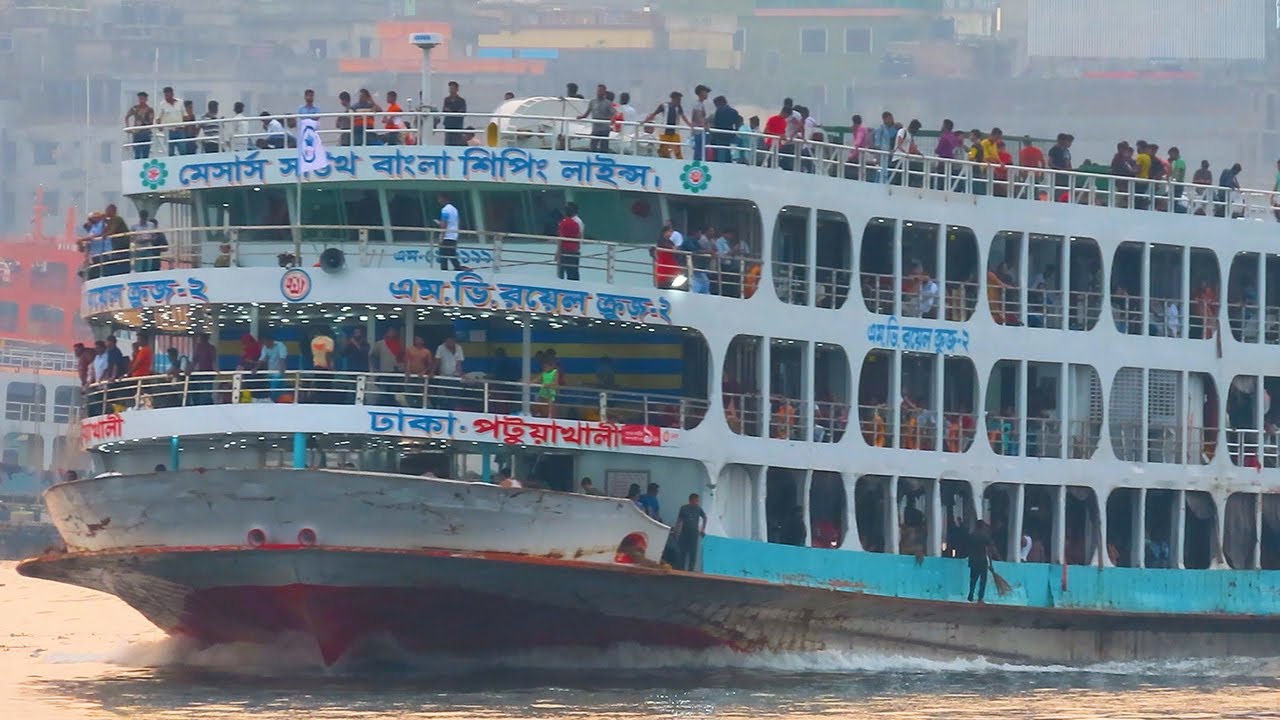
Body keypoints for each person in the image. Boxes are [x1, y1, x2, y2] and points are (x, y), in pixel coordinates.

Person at [642, 91, 690, 160]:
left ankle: (680, 164)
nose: (679, 102)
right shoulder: (664, 106)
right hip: (664, 133)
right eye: (678, 100)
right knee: (663, 151)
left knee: (677, 152)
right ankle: (666, 162)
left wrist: (690, 125)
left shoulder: (678, 107)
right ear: (673, 99)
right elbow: (654, 114)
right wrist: (644, 122)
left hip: (674, 133)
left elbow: (683, 117)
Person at [674, 493, 707, 571]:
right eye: (696, 501)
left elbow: (705, 517)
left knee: (693, 552)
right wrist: (676, 531)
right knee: (682, 551)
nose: (697, 503)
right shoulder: (684, 508)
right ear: (690, 500)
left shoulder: (698, 509)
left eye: (697, 501)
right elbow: (679, 520)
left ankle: (691, 569)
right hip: (684, 532)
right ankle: (681, 569)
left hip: (694, 533)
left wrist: (702, 529)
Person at [578, 84, 614, 153]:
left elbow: (614, 113)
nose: (599, 92)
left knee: (604, 148)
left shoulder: (608, 103)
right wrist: (581, 117)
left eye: (601, 91)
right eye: (598, 91)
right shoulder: (592, 102)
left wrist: (612, 119)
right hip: (595, 128)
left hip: (605, 129)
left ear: (604, 92)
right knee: (593, 146)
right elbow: (587, 112)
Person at [966, 519, 996, 602]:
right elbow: (989, 550)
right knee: (983, 579)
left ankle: (971, 594)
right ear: (982, 526)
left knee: (973, 578)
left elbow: (967, 548)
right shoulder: (985, 536)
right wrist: (991, 564)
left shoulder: (971, 535)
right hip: (982, 560)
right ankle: (980, 597)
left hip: (972, 560)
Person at [556, 202, 583, 281]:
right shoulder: (576, 223)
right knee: (573, 272)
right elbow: (579, 235)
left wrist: (557, 252)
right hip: (574, 249)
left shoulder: (564, 223)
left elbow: (561, 237)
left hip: (566, 250)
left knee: (562, 271)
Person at [435, 193, 463, 271]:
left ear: (444, 199)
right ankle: (458, 269)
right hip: (454, 236)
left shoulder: (445, 209)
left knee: (443, 257)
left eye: (439, 199)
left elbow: (444, 224)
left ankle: (444, 272)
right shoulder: (454, 209)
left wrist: (441, 236)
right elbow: (458, 222)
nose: (439, 201)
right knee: (452, 255)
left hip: (447, 236)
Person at [124, 91, 155, 159]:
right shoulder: (135, 108)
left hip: (146, 133)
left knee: (145, 154)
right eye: (140, 99)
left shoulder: (150, 110)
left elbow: (151, 122)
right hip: (137, 133)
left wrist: (143, 122)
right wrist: (128, 127)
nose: (141, 100)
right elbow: (127, 117)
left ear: (146, 99)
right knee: (137, 153)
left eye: (143, 99)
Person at [441, 81, 467, 146]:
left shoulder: (461, 100)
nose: (451, 90)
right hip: (448, 124)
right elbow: (444, 110)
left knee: (457, 142)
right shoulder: (447, 99)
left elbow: (462, 111)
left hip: (457, 125)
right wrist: (452, 112)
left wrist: (452, 113)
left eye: (453, 88)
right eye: (450, 88)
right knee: (448, 142)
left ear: (457, 89)